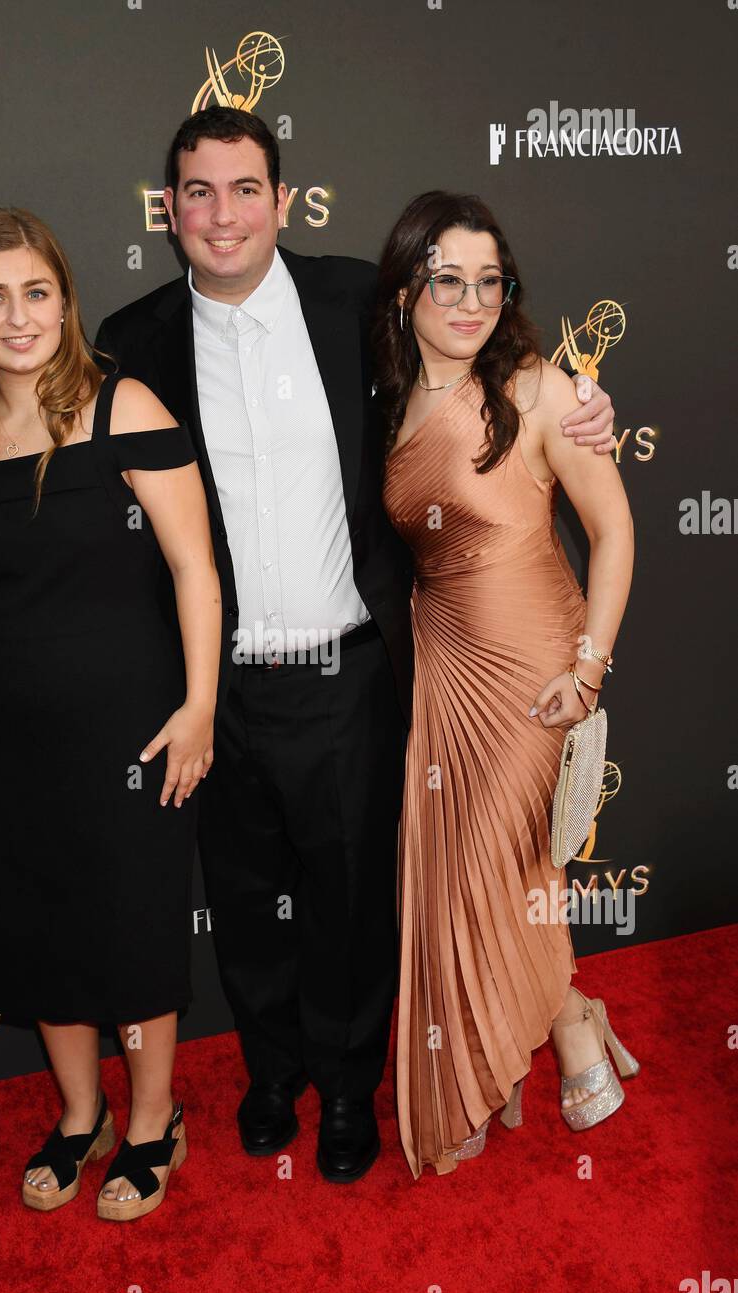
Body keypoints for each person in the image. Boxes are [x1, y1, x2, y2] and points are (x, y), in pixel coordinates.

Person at [0, 111, 617, 1184]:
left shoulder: (354, 304)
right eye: (197, 192)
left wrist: (580, 400)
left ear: (282, 201)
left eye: (245, 189)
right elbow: (22, 409)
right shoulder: (132, 345)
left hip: (354, 668)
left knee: (348, 896)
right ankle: (271, 1071)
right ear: (169, 210)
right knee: (243, 899)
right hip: (211, 683)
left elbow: (473, 339)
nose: (222, 213)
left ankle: (344, 1086)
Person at [0, 207, 220, 1219]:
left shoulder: (126, 407)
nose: (17, 315)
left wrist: (201, 704)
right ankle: (81, 1117)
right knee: (35, 924)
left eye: (35, 291)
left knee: (131, 923)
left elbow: (194, 568)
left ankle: (154, 1118)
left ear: (65, 300)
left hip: (128, 726)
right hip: (5, 729)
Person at [375, 191, 637, 1177]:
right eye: (448, 279)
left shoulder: (539, 391)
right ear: (407, 289)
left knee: (502, 861)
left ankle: (552, 1029)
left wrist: (588, 666)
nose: (469, 299)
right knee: (457, 881)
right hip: (440, 658)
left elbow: (610, 532)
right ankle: (531, 1034)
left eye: (489, 281)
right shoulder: (383, 402)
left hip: (536, 660)